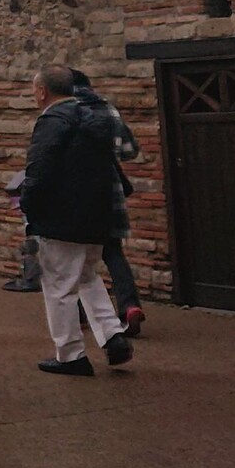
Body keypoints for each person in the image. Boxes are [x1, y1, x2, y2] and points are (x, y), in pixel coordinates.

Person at [20, 64, 134, 375]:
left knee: (58, 286)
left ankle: (70, 354)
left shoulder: (53, 121)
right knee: (86, 276)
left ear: (42, 91)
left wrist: (29, 204)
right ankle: (112, 336)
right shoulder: (95, 119)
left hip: (60, 218)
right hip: (96, 216)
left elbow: (40, 167)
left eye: (35, 90)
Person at [69, 69, 147, 336]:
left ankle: (78, 314)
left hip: (76, 194)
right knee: (113, 252)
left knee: (74, 257)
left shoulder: (63, 111)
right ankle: (129, 306)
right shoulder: (109, 111)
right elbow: (129, 151)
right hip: (109, 192)